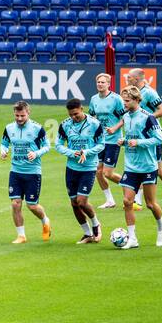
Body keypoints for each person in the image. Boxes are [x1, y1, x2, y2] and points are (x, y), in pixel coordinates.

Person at [117, 85, 162, 250]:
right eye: (123, 100)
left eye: (127, 100)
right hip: (131, 167)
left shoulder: (148, 117)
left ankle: (161, 228)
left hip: (147, 166)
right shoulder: (126, 116)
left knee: (151, 204)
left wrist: (138, 142)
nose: (124, 103)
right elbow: (132, 136)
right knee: (127, 201)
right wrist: (124, 141)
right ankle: (132, 239)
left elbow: (159, 139)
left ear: (137, 100)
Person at [0, 100, 52, 244]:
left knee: (32, 205)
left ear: (28, 113)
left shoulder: (37, 128)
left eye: (22, 115)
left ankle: (45, 220)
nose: (19, 119)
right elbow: (4, 143)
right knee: (16, 203)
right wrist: (3, 151)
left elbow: (47, 146)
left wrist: (36, 154)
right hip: (15, 171)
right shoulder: (9, 128)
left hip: (33, 172)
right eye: (17, 115)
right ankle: (21, 236)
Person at [54, 98, 105, 244]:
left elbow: (101, 144)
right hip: (72, 168)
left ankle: (96, 224)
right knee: (74, 203)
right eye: (71, 115)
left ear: (82, 109)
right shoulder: (64, 125)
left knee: (82, 201)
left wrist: (86, 152)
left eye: (76, 114)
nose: (73, 117)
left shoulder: (95, 124)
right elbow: (58, 145)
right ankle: (87, 233)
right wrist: (71, 153)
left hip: (88, 168)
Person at [126, 68, 162, 206]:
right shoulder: (132, 94)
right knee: (140, 165)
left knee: (158, 169)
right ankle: (138, 200)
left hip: (152, 134)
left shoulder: (149, 93)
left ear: (136, 79)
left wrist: (146, 119)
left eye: (129, 77)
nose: (127, 78)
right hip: (138, 136)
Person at [87, 73, 126, 210]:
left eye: (103, 82)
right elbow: (91, 117)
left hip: (113, 140)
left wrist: (115, 128)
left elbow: (125, 117)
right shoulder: (93, 99)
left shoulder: (116, 99)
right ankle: (110, 200)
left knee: (107, 173)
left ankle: (132, 186)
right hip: (100, 141)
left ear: (109, 84)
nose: (100, 84)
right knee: (98, 172)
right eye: (98, 82)